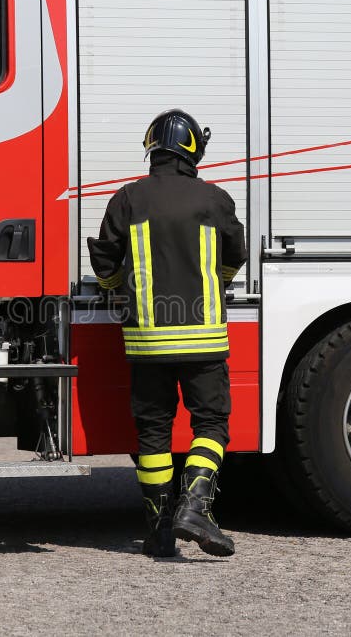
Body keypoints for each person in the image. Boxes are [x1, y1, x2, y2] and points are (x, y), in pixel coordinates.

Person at [87, 109, 247, 558]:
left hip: (146, 341)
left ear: (151, 147)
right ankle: (195, 507)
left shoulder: (127, 199)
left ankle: (158, 532)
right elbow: (235, 258)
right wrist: (216, 282)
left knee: (153, 432)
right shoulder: (215, 200)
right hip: (204, 338)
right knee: (211, 423)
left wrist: (119, 293)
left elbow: (103, 261)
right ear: (193, 149)